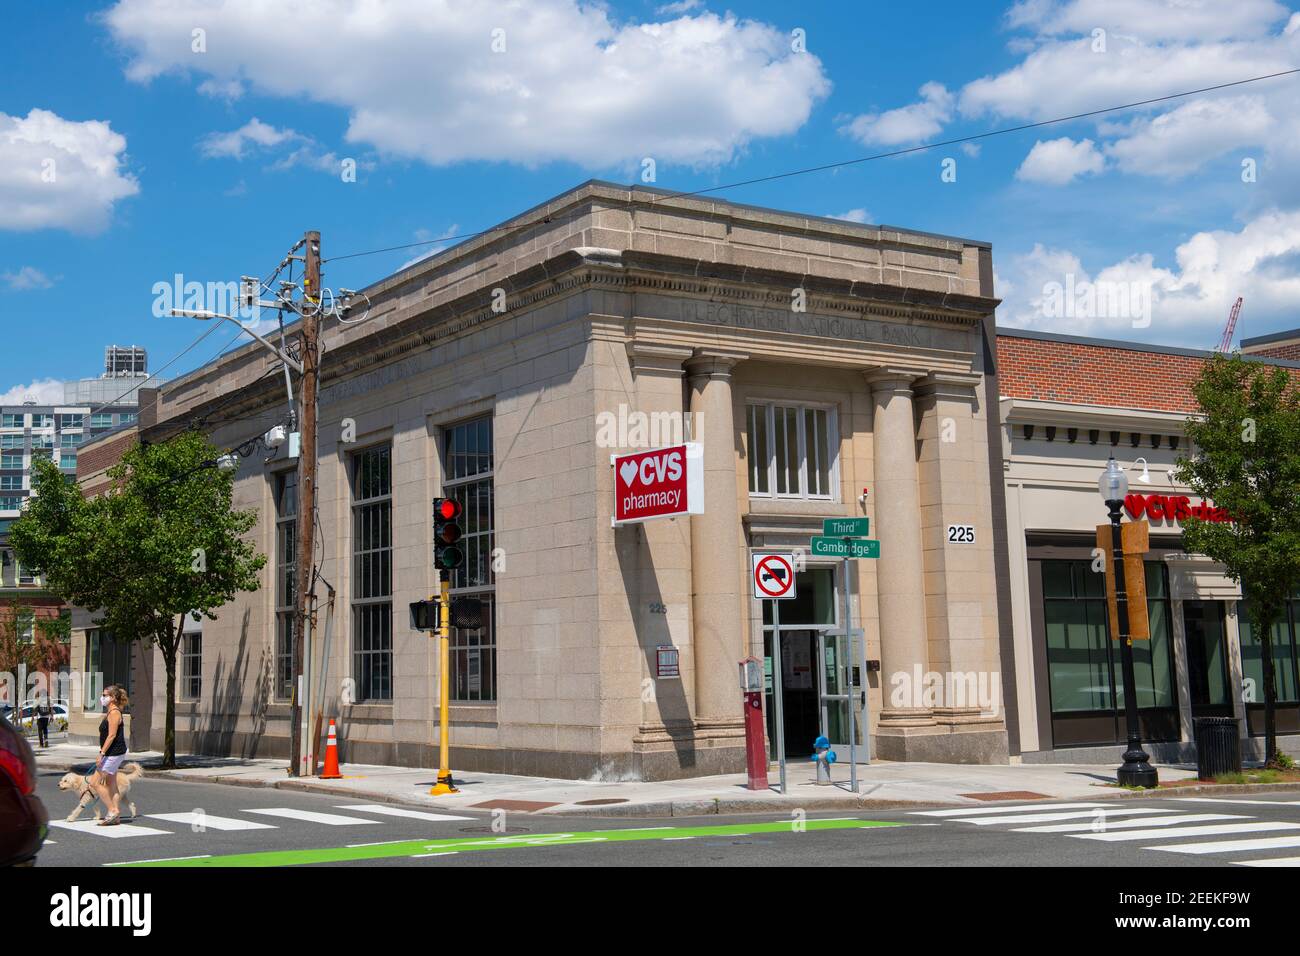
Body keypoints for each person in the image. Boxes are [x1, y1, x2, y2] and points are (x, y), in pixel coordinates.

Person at [91, 685, 129, 826]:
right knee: (111, 783)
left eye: (105, 695)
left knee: (95, 782)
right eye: (103, 695)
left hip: (113, 753)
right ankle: (116, 816)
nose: (103, 697)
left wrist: (101, 754)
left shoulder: (114, 713)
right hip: (114, 752)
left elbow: (112, 735)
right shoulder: (111, 712)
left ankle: (112, 811)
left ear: (113, 698)